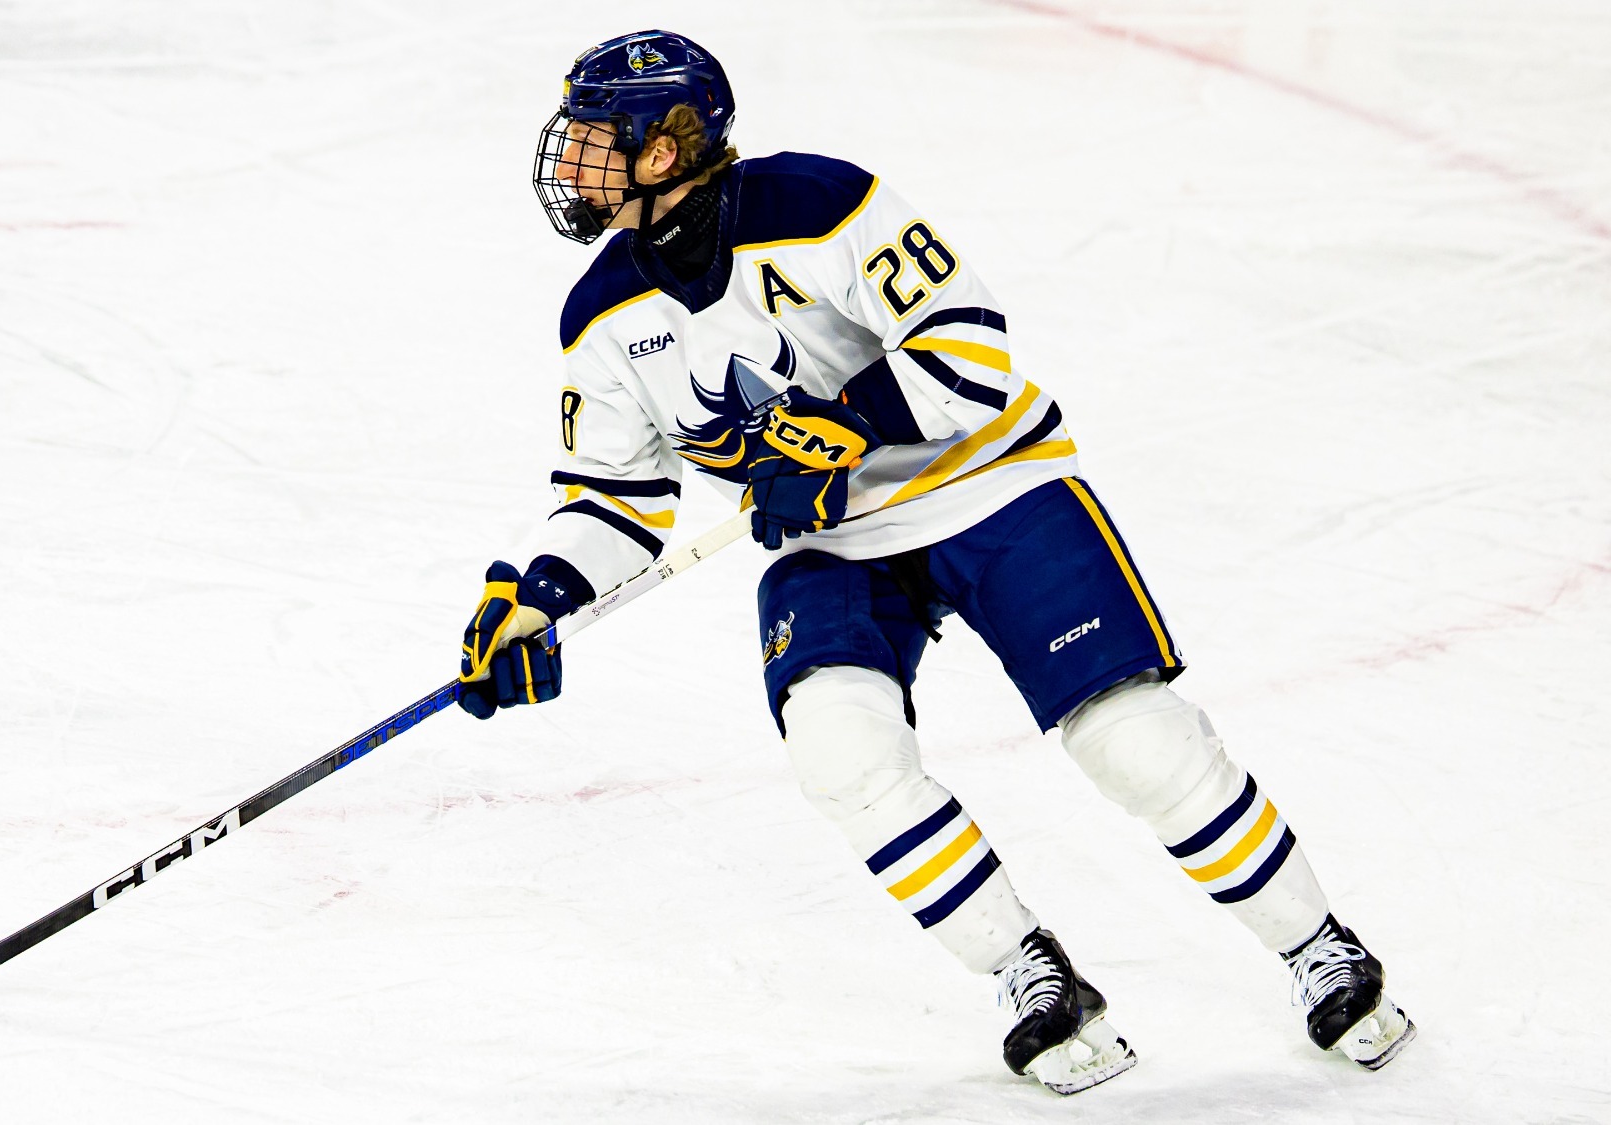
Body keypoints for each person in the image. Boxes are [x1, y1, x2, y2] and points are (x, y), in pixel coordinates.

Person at [453, 30, 1415, 1094]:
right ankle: (1029, 972)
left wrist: (846, 433)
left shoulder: (823, 204)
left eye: (597, 138)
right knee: (840, 755)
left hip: (989, 490)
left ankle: (1315, 944)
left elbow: (968, 350)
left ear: (668, 149)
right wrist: (534, 599)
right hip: (829, 545)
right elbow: (609, 495)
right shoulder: (599, 316)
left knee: (1128, 741)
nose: (571, 160)